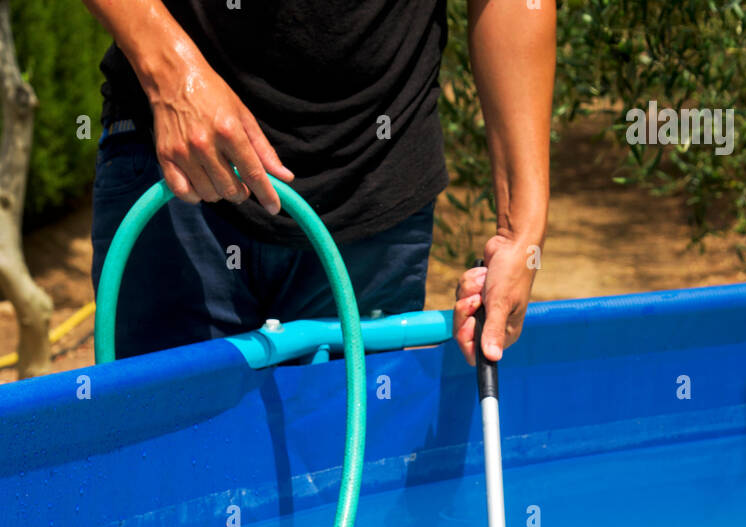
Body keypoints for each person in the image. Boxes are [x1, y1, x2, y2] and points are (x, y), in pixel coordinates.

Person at [84, 0, 555, 363]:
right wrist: (171, 72)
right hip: (178, 173)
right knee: (169, 472)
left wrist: (520, 230)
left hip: (373, 189)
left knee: (341, 476)